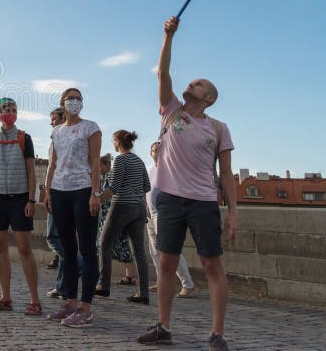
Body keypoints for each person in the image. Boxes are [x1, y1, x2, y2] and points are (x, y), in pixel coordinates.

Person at [137, 17, 236, 351]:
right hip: (169, 199)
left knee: (212, 265)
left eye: (197, 83)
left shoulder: (219, 128)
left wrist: (233, 214)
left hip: (204, 202)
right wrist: (168, 36)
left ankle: (218, 333)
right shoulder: (172, 112)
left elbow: (226, 175)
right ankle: (163, 326)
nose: (190, 84)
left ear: (208, 97)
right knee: (165, 264)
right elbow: (163, 73)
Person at [0, 98, 40, 315]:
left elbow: (31, 170)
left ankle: (35, 299)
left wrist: (32, 199)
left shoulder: (24, 137)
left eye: (13, 109)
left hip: (19, 198)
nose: (10, 113)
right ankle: (5, 297)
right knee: (0, 248)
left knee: (24, 248)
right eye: (6, 110)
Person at [45, 88, 102, 328]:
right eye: (71, 98)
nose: (75, 101)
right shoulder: (57, 131)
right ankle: (69, 303)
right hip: (60, 190)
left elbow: (96, 162)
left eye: (78, 98)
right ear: (63, 103)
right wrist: (47, 190)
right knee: (68, 249)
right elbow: (52, 163)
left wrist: (95, 193)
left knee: (87, 248)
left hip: (82, 188)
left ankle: (86, 307)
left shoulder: (91, 127)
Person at [95, 131, 151, 304]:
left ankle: (103, 286)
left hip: (122, 206)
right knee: (139, 251)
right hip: (139, 209)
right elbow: (146, 186)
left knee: (104, 244)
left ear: (119, 142)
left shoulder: (120, 160)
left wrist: (96, 201)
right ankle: (143, 294)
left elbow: (114, 187)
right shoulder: (139, 160)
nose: (112, 143)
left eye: (113, 140)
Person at [146, 141, 196, 297]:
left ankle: (188, 284)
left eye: (160, 150)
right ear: (150, 153)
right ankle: (162, 281)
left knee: (170, 250)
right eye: (154, 150)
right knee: (154, 251)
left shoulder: (169, 168)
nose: (157, 152)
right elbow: (146, 190)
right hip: (150, 213)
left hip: (164, 213)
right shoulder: (150, 169)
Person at [95, 154, 138, 295]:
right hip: (115, 212)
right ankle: (129, 275)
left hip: (111, 213)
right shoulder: (110, 174)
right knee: (122, 244)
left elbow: (110, 193)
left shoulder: (110, 174)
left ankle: (104, 279)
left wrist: (97, 199)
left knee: (104, 244)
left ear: (105, 165)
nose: (98, 169)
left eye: (99, 166)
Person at [44, 108, 67, 300]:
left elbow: (53, 166)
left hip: (60, 192)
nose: (51, 123)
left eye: (54, 119)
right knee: (62, 240)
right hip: (61, 191)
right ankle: (62, 286)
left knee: (53, 237)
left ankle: (79, 265)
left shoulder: (61, 139)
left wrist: (48, 191)